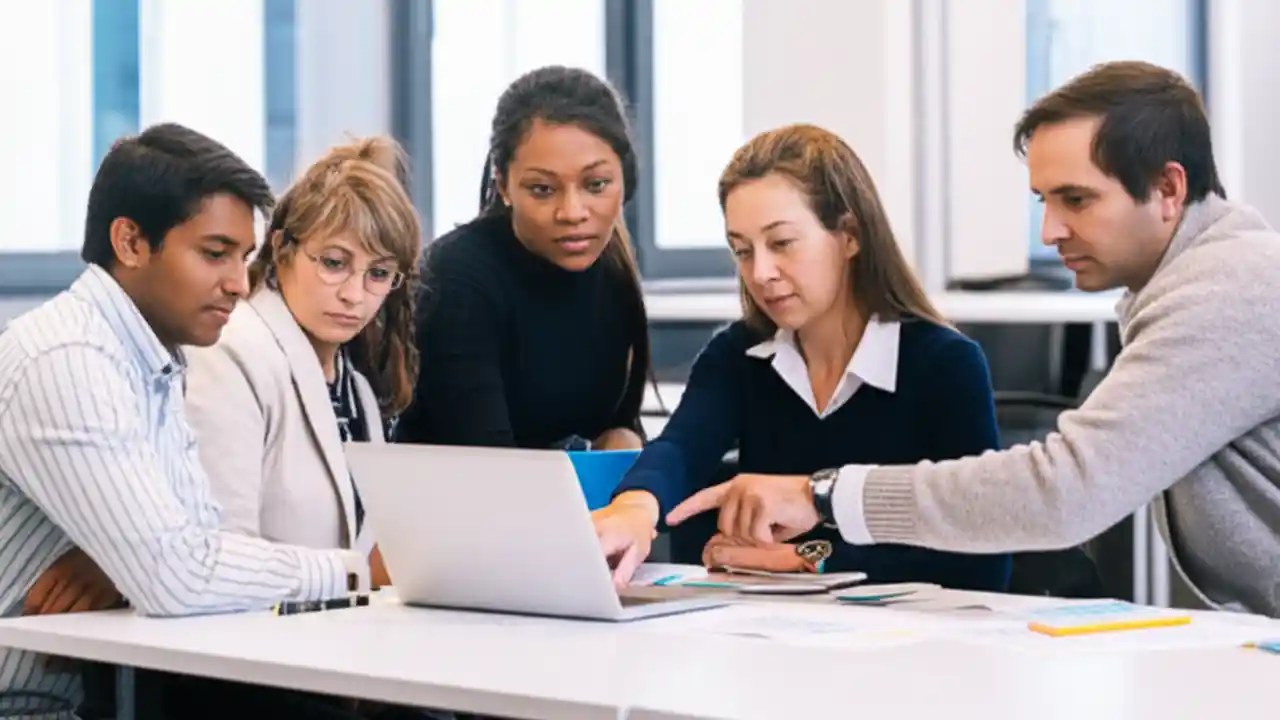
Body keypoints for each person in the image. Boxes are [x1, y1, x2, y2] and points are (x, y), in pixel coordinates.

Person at [664, 61, 1280, 618]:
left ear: (1169, 190)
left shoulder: (1228, 289)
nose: (1049, 231)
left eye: (1077, 199)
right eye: (1043, 200)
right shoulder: (1188, 285)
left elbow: (1066, 489)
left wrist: (820, 496)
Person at [0, 123, 366, 718]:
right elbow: (182, 575)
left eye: (244, 258)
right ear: (130, 243)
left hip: (107, 695)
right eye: (214, 253)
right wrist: (352, 573)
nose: (238, 284)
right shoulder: (69, 358)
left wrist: (123, 568)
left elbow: (191, 545)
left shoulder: (153, 359)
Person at [593, 124, 1011, 591]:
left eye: (782, 243)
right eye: (743, 251)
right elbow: (680, 449)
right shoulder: (738, 356)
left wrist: (804, 559)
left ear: (849, 236)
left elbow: (983, 559)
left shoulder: (945, 366)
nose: (761, 273)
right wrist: (636, 505)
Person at [183, 136, 420, 595]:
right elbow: (222, 552)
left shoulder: (358, 392)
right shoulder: (232, 353)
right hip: (241, 646)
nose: (354, 294)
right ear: (282, 248)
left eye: (378, 274)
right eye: (334, 263)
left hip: (326, 640)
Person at [393, 65, 651, 452]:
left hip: (564, 503)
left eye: (596, 185)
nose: (572, 212)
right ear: (504, 186)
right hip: (465, 503)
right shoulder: (457, 280)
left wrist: (623, 441)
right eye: (543, 189)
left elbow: (617, 424)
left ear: (625, 180)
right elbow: (492, 469)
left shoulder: (612, 270)